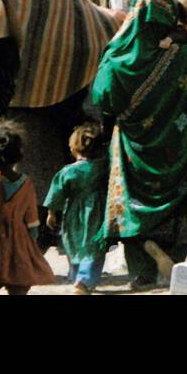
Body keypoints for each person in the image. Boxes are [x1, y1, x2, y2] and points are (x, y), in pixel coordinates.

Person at [93, 0, 187, 289]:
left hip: (132, 150)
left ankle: (142, 271)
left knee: (131, 202)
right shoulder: (186, 56)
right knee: (180, 201)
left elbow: (102, 96)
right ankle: (172, 263)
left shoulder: (118, 57)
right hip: (178, 148)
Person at [0, 121, 56, 295]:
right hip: (18, 244)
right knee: (18, 287)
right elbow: (32, 219)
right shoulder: (27, 183)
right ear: (19, 155)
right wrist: (30, 242)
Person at [45, 121, 109, 294]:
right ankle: (84, 280)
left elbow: (56, 194)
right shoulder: (103, 166)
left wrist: (51, 213)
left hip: (73, 212)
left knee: (73, 242)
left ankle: (76, 276)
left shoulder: (67, 172)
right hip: (97, 211)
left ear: (73, 148)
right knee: (94, 245)